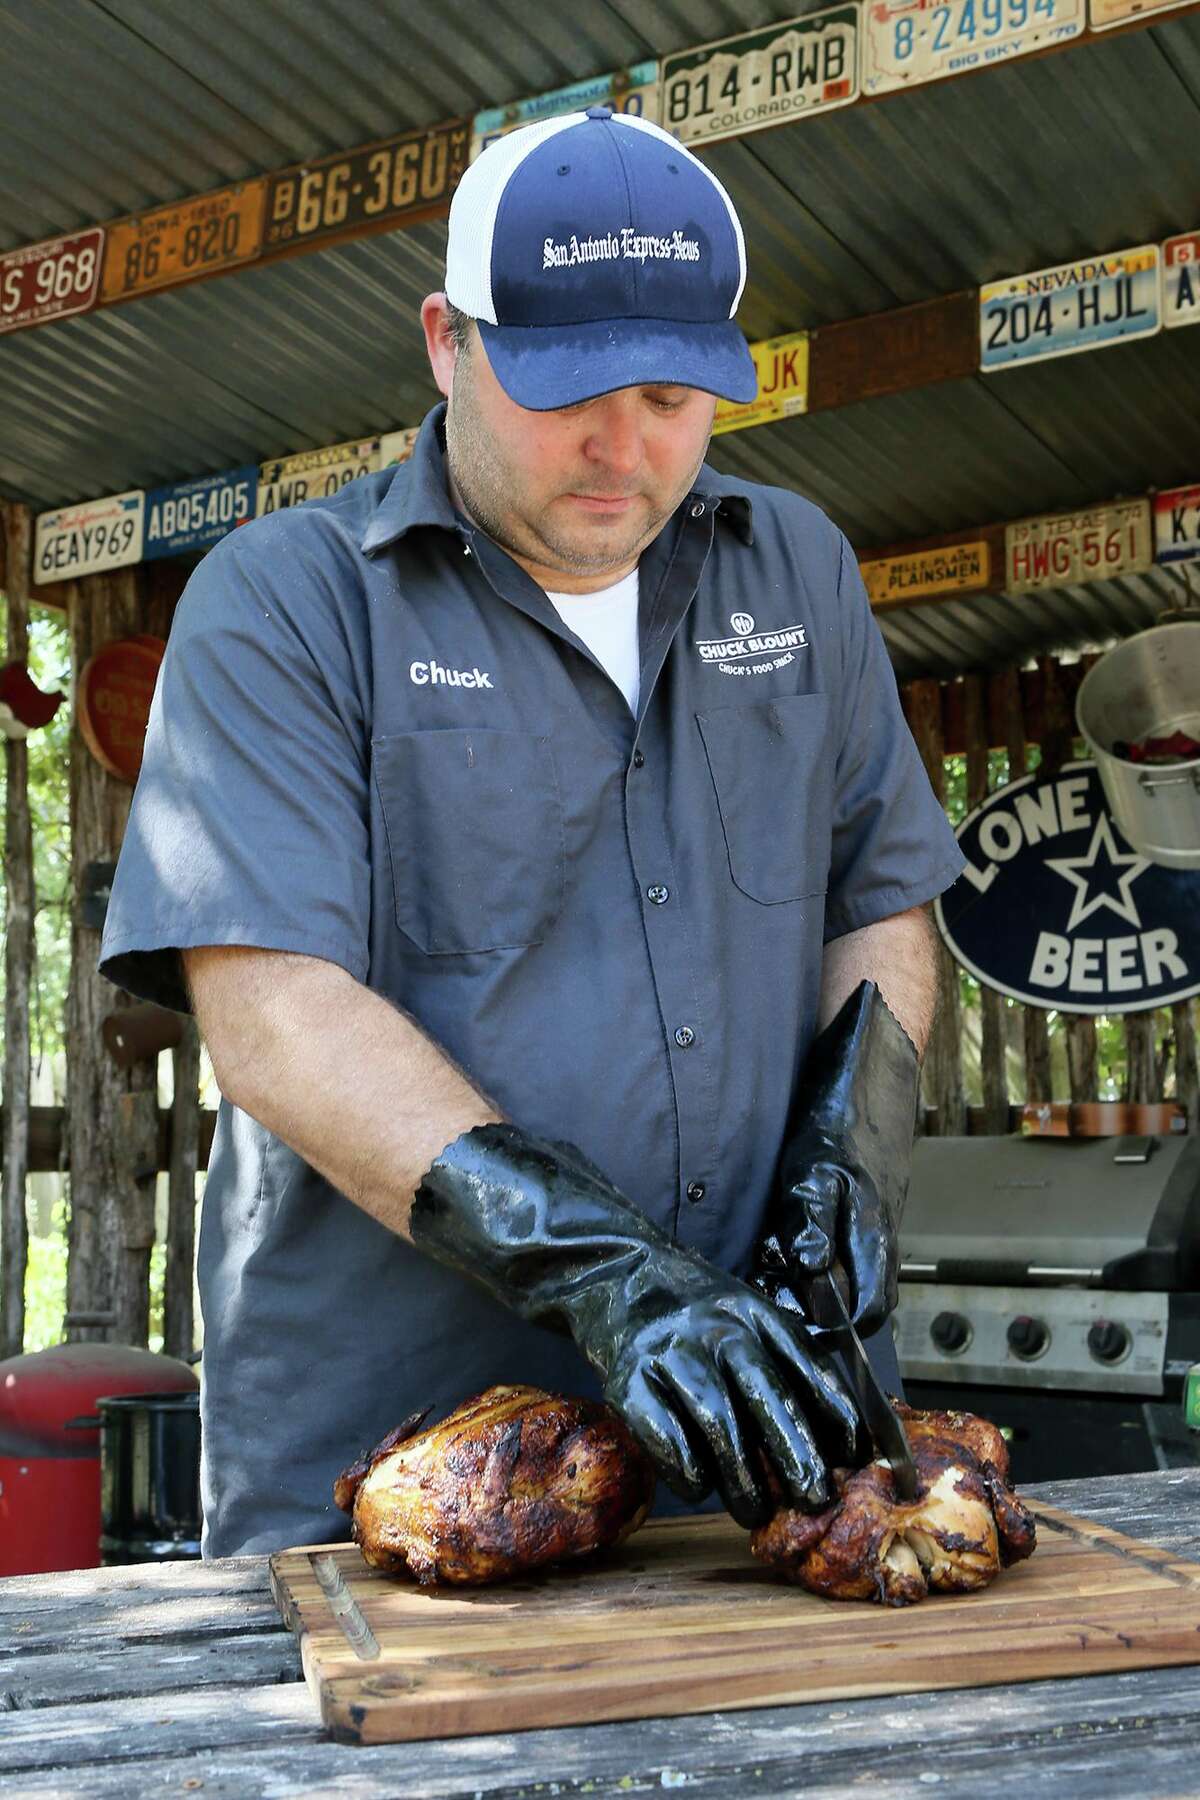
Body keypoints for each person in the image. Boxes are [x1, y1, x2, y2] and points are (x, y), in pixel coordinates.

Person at [100, 107, 965, 1558]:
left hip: (767, 1448)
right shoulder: (287, 604)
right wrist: (617, 1282)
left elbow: (881, 902)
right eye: (567, 388)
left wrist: (847, 1162)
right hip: (401, 1472)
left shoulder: (798, 572)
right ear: (448, 341)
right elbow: (273, 1019)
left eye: (675, 395)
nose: (623, 448)